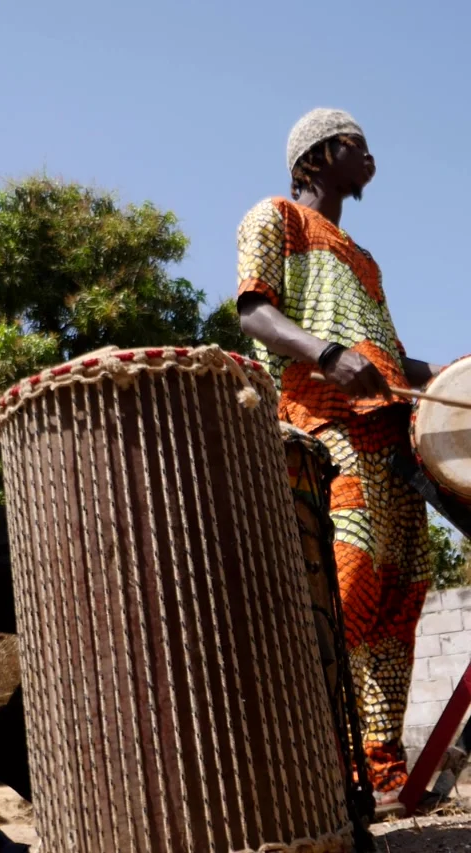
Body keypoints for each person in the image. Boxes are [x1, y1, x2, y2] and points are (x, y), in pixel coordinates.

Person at [237, 108, 438, 804]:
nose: (370, 155)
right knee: (345, 592)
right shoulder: (275, 218)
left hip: (392, 439)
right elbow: (253, 311)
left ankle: (378, 772)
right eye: (357, 144)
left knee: (401, 596)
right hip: (327, 431)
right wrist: (326, 353)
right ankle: (316, 772)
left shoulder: (366, 261)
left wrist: (441, 378)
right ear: (317, 156)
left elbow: (382, 356)